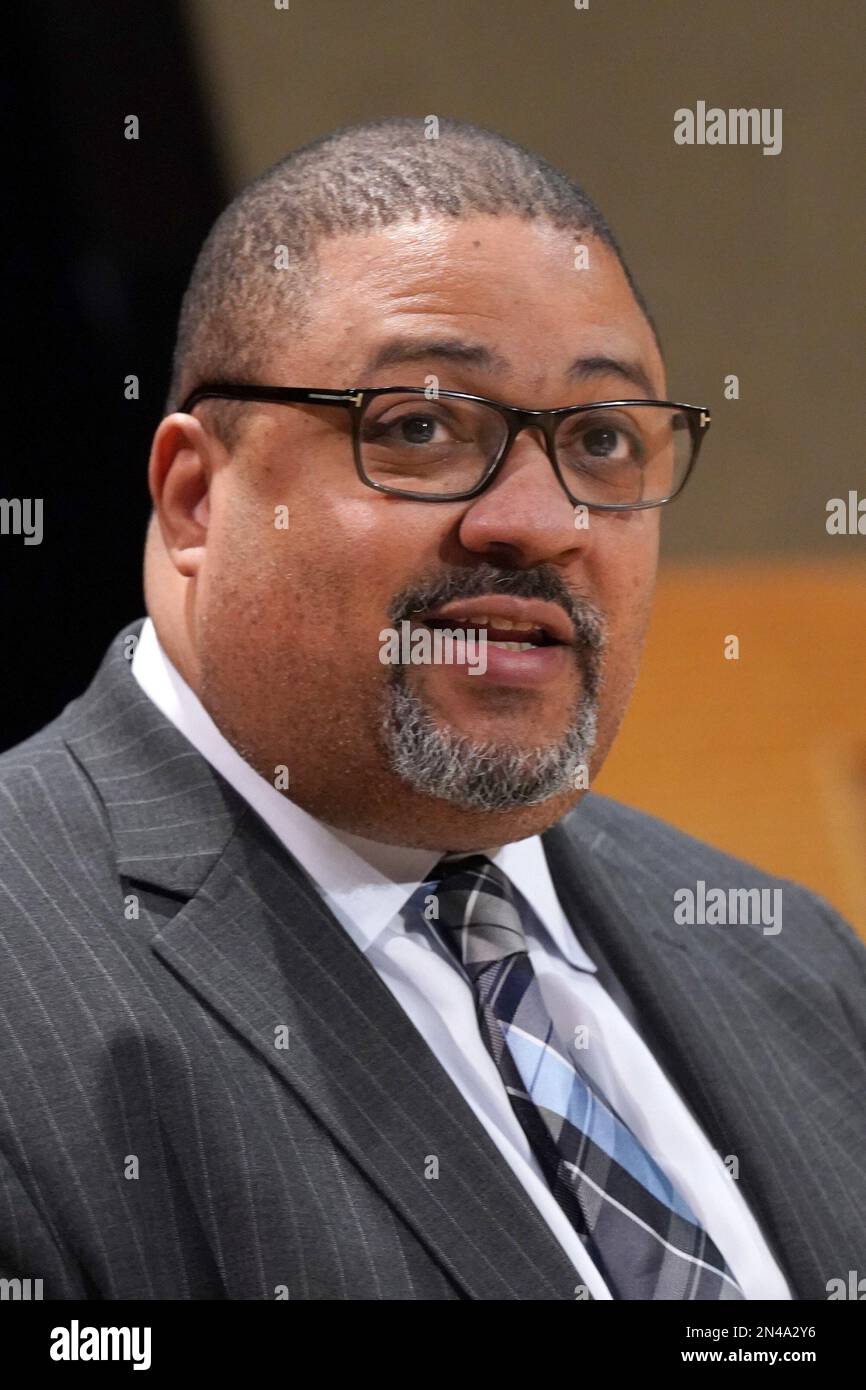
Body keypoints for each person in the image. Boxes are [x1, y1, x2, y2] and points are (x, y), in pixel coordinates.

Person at [0, 118, 863, 1301]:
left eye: (601, 439)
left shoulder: (790, 954)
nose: (538, 519)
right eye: (418, 427)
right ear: (199, 499)